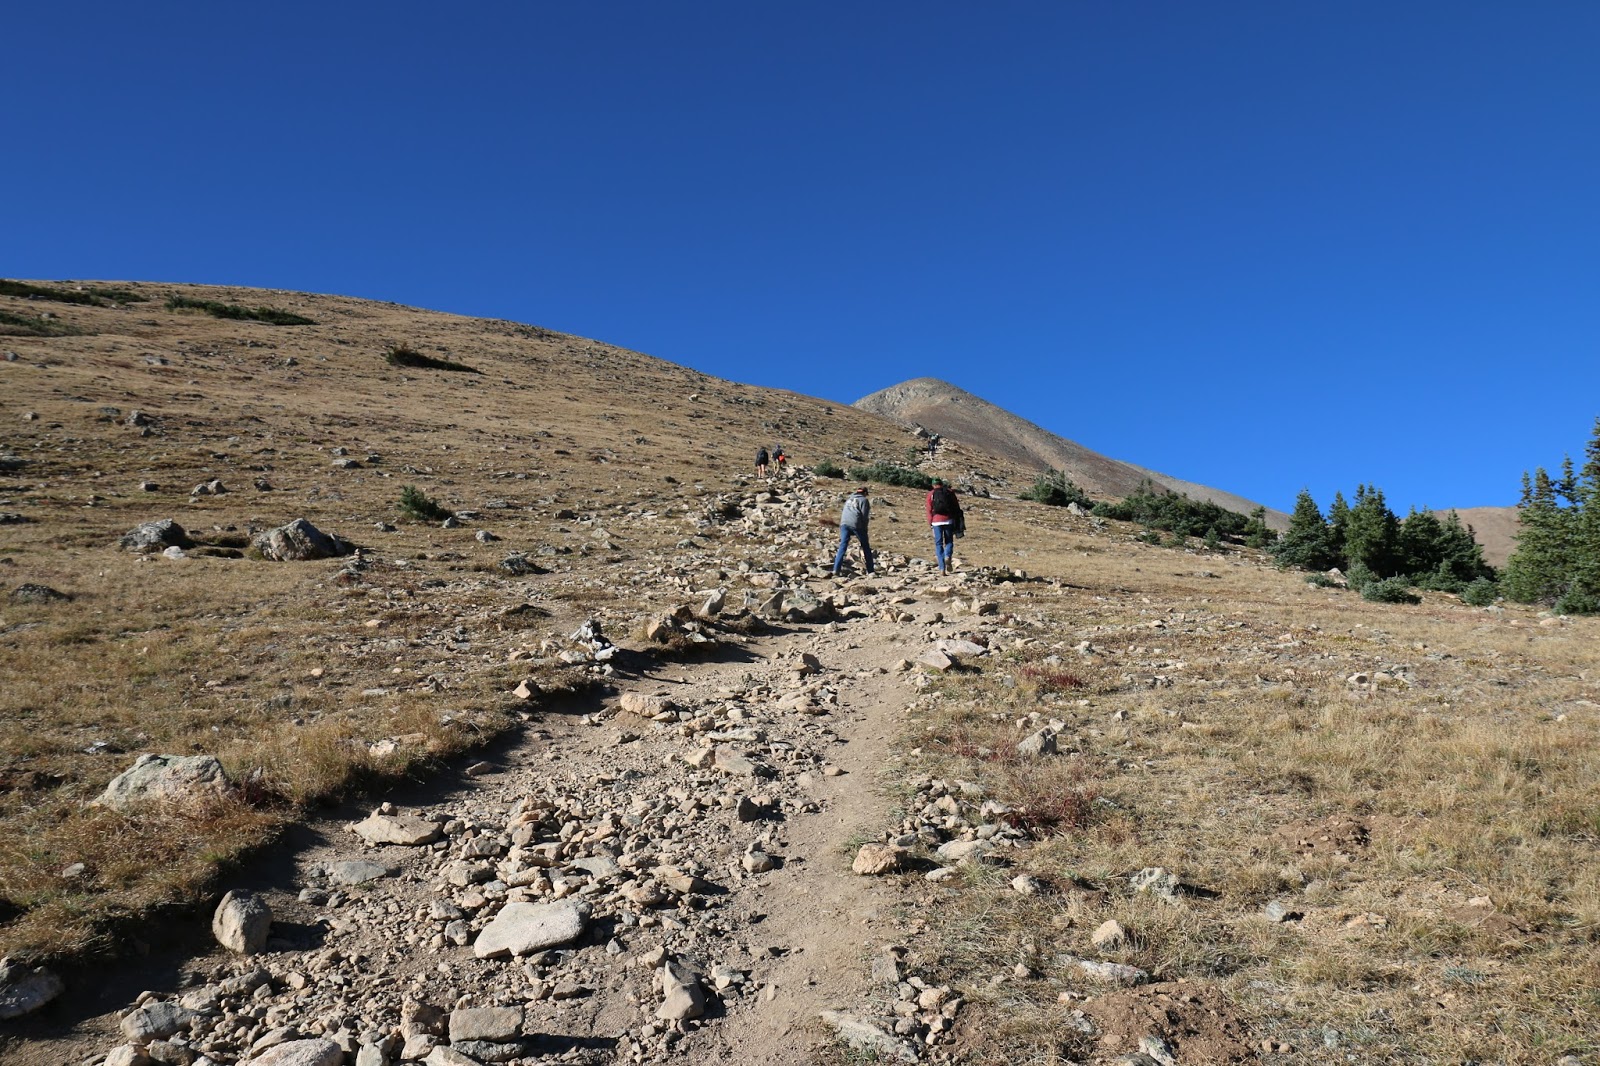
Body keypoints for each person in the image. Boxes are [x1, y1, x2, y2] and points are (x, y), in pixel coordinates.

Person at [832, 486, 875, 576]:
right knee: (866, 547)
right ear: (865, 493)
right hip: (856, 524)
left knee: (843, 546)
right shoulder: (863, 500)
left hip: (844, 523)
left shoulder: (849, 500)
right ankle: (871, 571)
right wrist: (864, 529)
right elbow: (864, 516)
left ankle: (836, 569)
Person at [927, 477, 962, 575]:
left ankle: (942, 569)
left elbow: (929, 510)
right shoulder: (950, 492)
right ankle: (948, 556)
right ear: (942, 484)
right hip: (948, 520)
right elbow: (956, 506)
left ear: (933, 485)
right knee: (949, 541)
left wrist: (930, 524)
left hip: (936, 521)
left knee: (938, 544)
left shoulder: (931, 494)